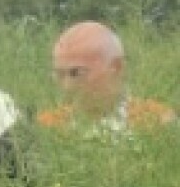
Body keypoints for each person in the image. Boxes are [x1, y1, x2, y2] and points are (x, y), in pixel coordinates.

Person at [38, 21, 174, 132]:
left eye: (76, 73)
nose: (67, 86)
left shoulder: (156, 122)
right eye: (59, 75)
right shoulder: (50, 126)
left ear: (116, 67)